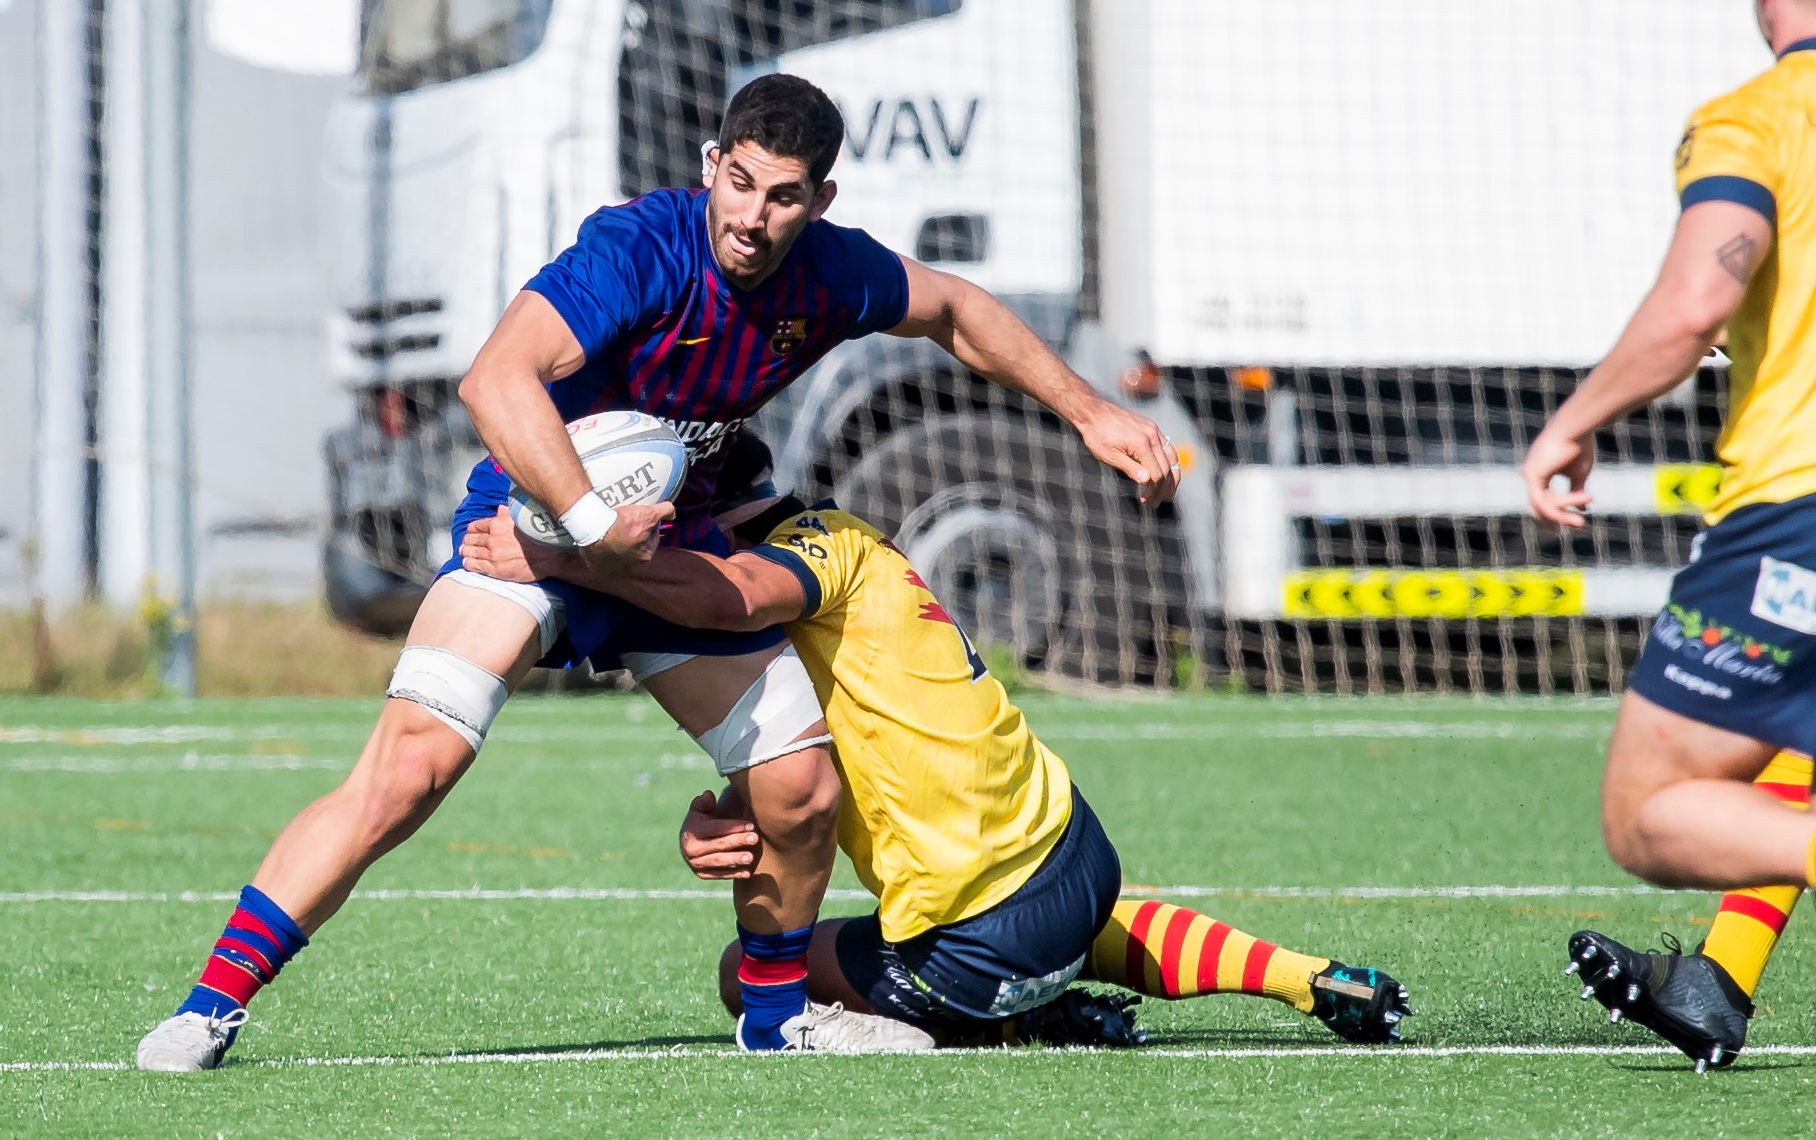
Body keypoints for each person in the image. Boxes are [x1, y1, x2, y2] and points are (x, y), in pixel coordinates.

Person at [133, 74, 1179, 1070]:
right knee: (410, 769)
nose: (753, 215)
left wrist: (1091, 412)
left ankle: (775, 1021)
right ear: (711, 162)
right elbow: (494, 378)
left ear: (818, 200)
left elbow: (953, 307)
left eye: (782, 196)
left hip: (668, 545)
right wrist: (584, 528)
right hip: (536, 528)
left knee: (799, 789)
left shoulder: (825, 270)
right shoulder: (636, 248)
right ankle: (209, 1006)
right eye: (739, 181)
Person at [460, 431, 1413, 1046]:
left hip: (977, 943)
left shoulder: (813, 554)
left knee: (744, 977)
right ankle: (1306, 977)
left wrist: (573, 555)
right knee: (1062, 928)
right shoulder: (849, 562)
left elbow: (735, 593)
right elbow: (825, 761)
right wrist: (720, 821)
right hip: (1081, 855)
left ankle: (1012, 1018)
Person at [1521, 0, 1816, 1072]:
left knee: (1646, 811)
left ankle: (1715, 979)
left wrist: (1573, 420)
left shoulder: (1760, 115)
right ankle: (1715, 980)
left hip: (1796, 511)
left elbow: (1697, 296)